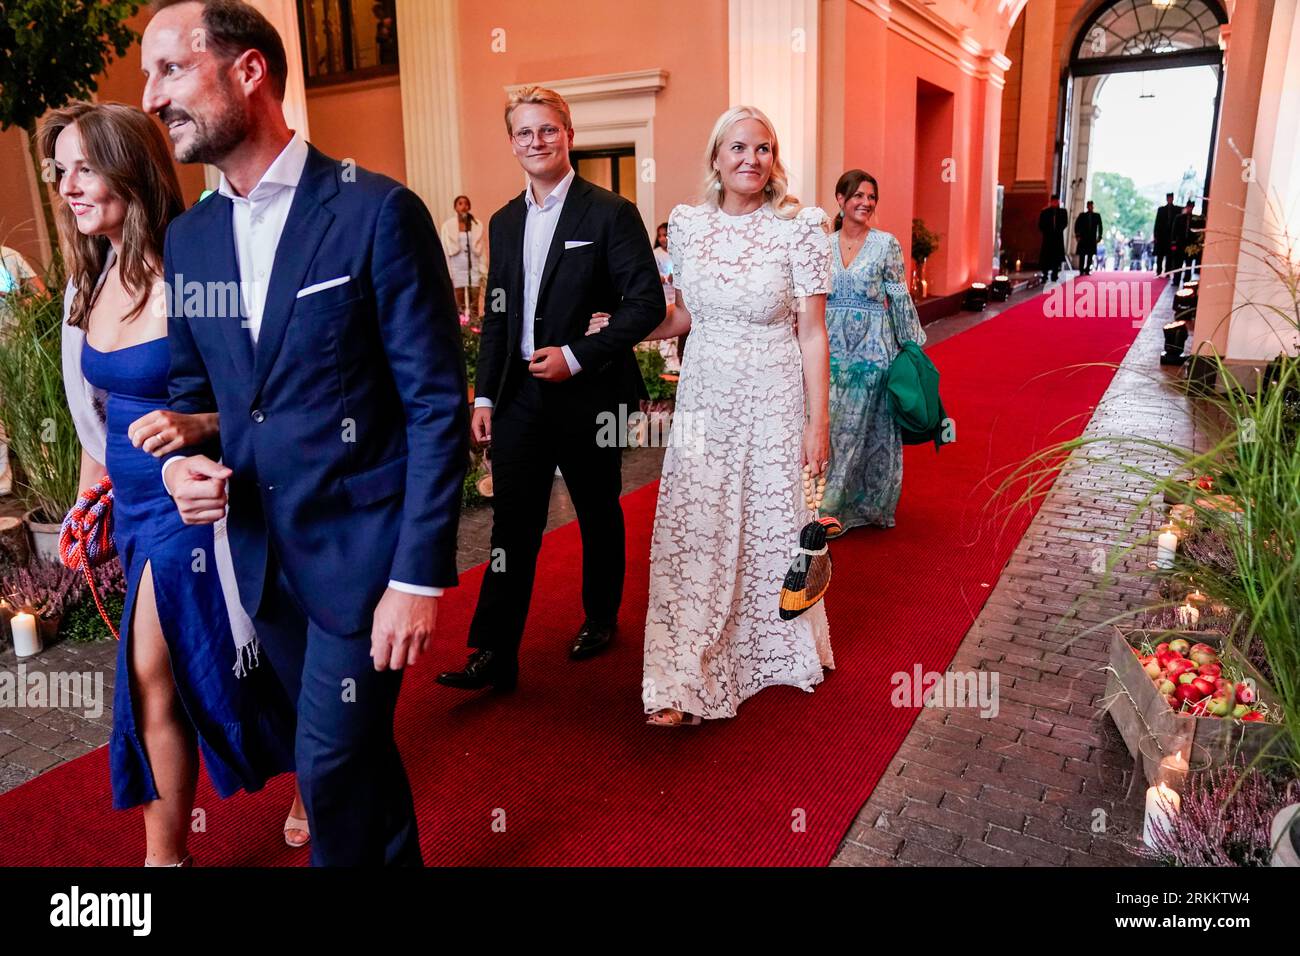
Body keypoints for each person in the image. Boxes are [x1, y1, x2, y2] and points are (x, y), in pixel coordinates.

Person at [142, 0, 468, 866]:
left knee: (325, 770)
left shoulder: (375, 212)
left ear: (248, 71)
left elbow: (435, 405)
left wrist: (417, 577)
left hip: (363, 558)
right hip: (259, 559)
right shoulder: (191, 239)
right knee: (351, 759)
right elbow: (193, 395)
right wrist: (186, 471)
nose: (152, 96)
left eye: (170, 68)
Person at [40, 100, 298, 867]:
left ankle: (163, 860)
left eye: (86, 168)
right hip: (131, 506)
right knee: (213, 658)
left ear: (132, 168)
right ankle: (303, 763)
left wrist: (201, 433)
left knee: (154, 668)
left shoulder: (198, 277)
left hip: (199, 501)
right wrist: (88, 499)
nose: (69, 188)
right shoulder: (88, 284)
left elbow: (258, 399)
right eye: (61, 173)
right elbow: (99, 415)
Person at [591, 105, 835, 726]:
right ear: (716, 159)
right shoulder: (689, 226)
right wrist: (623, 330)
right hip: (704, 398)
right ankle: (682, 677)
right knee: (695, 527)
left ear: (773, 159)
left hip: (774, 396)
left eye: (762, 148)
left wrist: (818, 423)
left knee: (767, 523)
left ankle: (768, 651)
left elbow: (812, 333)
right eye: (738, 148)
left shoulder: (800, 227)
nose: (751, 159)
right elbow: (682, 317)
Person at [436, 85, 663, 693]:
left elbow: (645, 303)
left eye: (548, 130)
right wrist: (483, 396)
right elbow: (498, 316)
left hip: (589, 394)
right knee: (513, 522)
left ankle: (600, 616)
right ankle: (494, 648)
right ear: (512, 142)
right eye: (524, 133)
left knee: (596, 509)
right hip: (518, 400)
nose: (536, 141)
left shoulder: (609, 212)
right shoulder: (506, 221)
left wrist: (576, 355)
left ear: (568, 134)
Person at [819, 168, 925, 532]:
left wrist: (910, 348)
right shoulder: (823, 244)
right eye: (858, 196)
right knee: (830, 428)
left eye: (871, 197)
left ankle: (835, 507)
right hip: (829, 354)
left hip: (871, 355)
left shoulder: (886, 244)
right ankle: (827, 498)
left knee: (857, 430)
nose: (866, 203)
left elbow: (898, 297)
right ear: (841, 200)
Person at [440, 194, 485, 318]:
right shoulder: (447, 226)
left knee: (474, 304)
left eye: (466, 204)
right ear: (455, 207)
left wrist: (483, 270)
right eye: (460, 203)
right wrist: (447, 271)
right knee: (460, 305)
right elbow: (444, 249)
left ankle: (475, 329)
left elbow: (481, 249)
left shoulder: (476, 224)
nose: (463, 206)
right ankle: (463, 332)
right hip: (457, 267)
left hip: (473, 267)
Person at [652, 221, 681, 370]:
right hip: (662, 294)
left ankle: (674, 361)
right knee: (665, 322)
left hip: (675, 294)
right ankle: (664, 360)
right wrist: (663, 278)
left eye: (666, 235)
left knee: (675, 325)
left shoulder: (677, 252)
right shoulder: (656, 253)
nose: (663, 239)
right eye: (660, 236)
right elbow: (650, 274)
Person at [1036, 193, 1068, 282]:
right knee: (1046, 257)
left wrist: (1058, 230)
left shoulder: (1063, 212)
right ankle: (1045, 274)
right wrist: (1048, 231)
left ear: (1058, 202)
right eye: (1053, 201)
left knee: (1056, 258)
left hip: (1058, 238)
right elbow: (1041, 224)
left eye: (1056, 201)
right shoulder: (1045, 212)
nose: (1055, 203)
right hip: (1048, 239)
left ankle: (1055, 274)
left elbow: (1065, 223)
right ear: (1051, 202)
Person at [1171, 200, 1199, 289]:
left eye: (1191, 207)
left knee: (1188, 265)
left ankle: (1186, 281)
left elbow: (1197, 233)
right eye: (1189, 207)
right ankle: (1176, 280)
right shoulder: (1179, 218)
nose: (1190, 209)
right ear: (1186, 207)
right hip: (1180, 244)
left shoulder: (1195, 219)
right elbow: (1174, 231)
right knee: (1178, 264)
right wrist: (1173, 243)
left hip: (1190, 246)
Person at [1074, 200, 1102, 276]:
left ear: (1093, 206)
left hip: (1092, 238)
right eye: (1089, 206)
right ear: (1087, 206)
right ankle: (1081, 269)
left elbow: (1100, 227)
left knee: (1090, 255)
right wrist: (1077, 235)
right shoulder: (1082, 215)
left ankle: (1087, 269)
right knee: (1082, 255)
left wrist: (1099, 237)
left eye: (1091, 206)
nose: (1090, 207)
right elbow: (1077, 226)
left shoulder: (1097, 216)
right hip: (1083, 238)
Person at [1153, 192, 1178, 276]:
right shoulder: (1161, 210)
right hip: (1161, 236)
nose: (1170, 199)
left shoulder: (1176, 210)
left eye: (1171, 198)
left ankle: (1167, 271)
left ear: (1173, 199)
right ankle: (1159, 270)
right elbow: (1157, 223)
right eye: (1169, 198)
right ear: (1167, 199)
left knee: (1169, 255)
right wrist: (1155, 235)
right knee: (1160, 255)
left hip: (1171, 236)